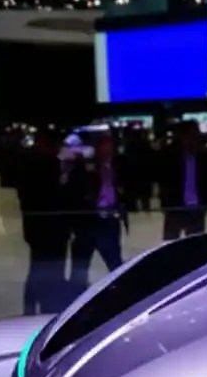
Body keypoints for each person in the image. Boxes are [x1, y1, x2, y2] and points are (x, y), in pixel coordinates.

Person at [17, 129, 70, 314]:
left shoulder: (40, 165)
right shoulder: (41, 166)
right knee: (42, 269)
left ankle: (41, 306)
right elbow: (48, 196)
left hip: (48, 228)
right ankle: (38, 306)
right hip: (45, 228)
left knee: (44, 269)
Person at [68, 132, 126, 289]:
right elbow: (74, 193)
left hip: (110, 221)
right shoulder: (84, 168)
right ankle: (77, 299)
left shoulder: (117, 166)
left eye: (110, 146)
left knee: (116, 265)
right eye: (103, 145)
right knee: (80, 268)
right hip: (88, 223)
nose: (107, 150)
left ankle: (121, 296)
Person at [159, 121, 207, 240]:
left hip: (197, 207)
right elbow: (163, 179)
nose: (194, 139)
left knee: (195, 243)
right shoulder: (169, 156)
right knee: (170, 243)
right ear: (183, 136)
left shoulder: (204, 156)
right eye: (192, 135)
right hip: (175, 207)